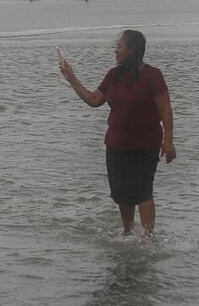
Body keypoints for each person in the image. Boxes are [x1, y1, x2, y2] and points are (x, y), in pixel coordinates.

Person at [57, 30, 175, 234]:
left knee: (143, 191)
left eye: (119, 47)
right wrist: (71, 78)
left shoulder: (152, 75)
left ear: (133, 50)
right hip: (116, 145)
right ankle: (127, 233)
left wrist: (169, 140)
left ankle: (148, 237)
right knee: (122, 193)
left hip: (146, 145)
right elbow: (94, 100)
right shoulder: (113, 75)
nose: (116, 51)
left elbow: (165, 108)